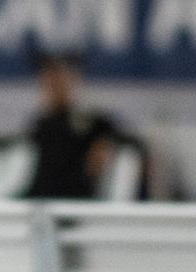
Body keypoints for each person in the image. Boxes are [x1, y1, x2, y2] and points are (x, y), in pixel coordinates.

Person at [20, 50, 143, 200]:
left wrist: (106, 142)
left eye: (60, 79)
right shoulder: (39, 125)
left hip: (77, 207)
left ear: (71, 82)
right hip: (39, 206)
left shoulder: (90, 123)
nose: (54, 85)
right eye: (49, 79)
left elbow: (133, 141)